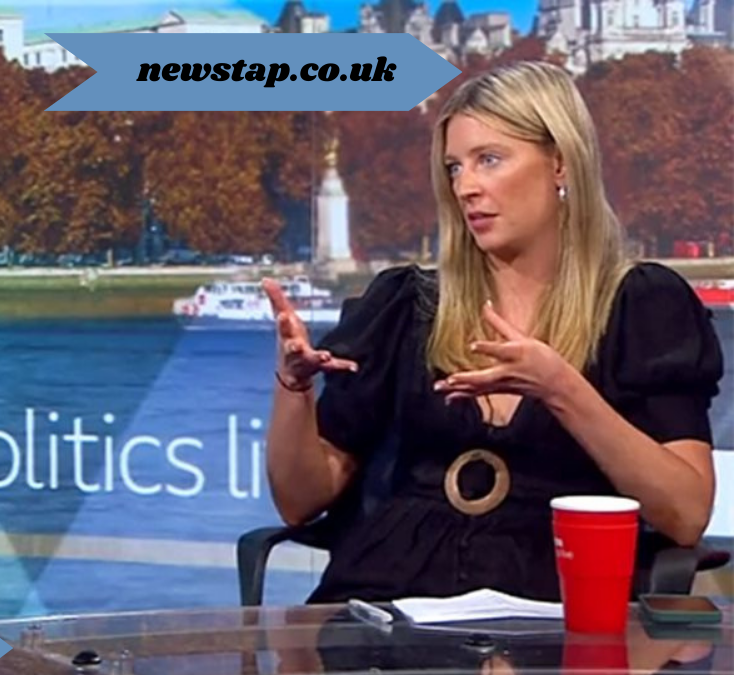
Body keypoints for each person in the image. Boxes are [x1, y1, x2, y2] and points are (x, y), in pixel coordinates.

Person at [264, 60, 724, 604]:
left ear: (560, 162)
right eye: (454, 167)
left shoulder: (642, 306)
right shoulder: (407, 307)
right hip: (387, 599)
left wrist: (562, 390)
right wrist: (293, 387)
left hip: (555, 606)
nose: (466, 187)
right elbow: (299, 501)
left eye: (489, 159)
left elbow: (684, 515)